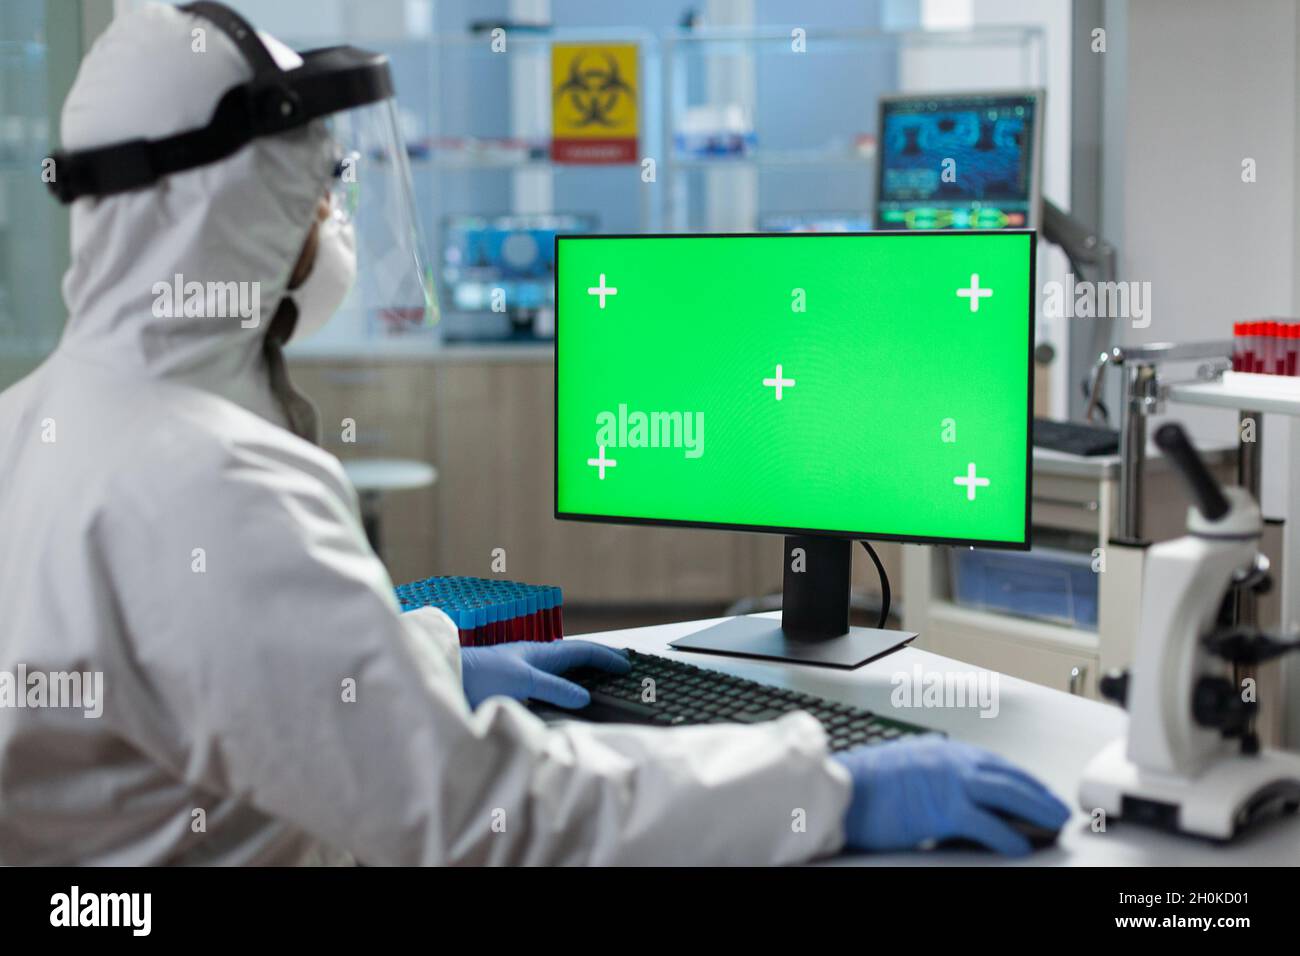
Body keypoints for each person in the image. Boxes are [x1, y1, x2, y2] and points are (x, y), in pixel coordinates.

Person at [0, 2, 1068, 865]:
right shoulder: (217, 485)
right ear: (237, 207)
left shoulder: (33, 426)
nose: (333, 223)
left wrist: (430, 658)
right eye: (318, 189)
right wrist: (820, 785)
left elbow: (236, 682)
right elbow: (485, 815)